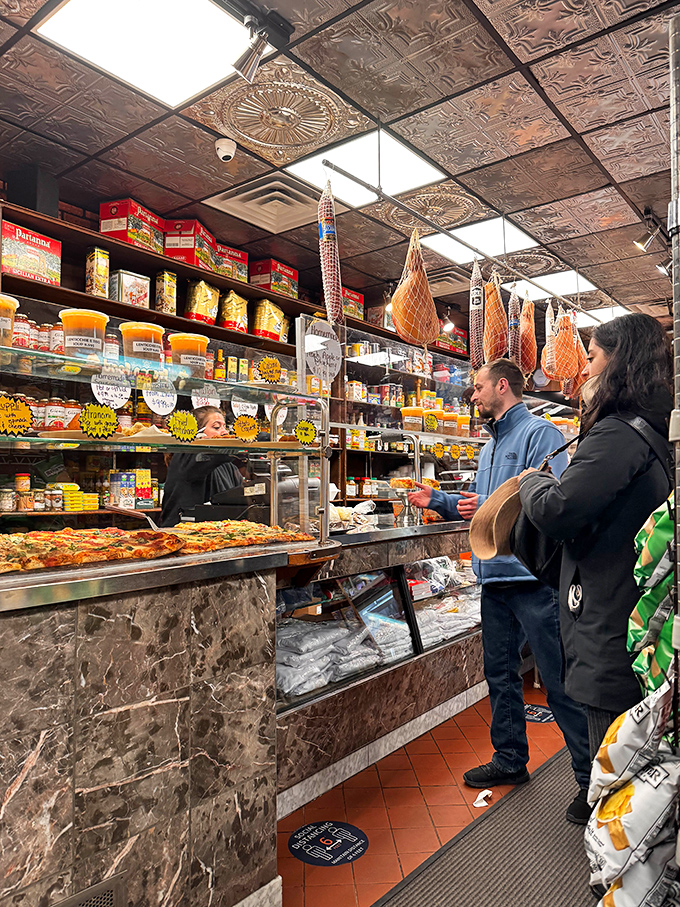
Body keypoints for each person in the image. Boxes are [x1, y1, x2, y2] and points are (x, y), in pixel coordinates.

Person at [408, 358, 591, 823]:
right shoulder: (489, 447)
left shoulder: (541, 434)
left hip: (532, 581)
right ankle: (510, 759)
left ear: (502, 386)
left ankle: (590, 781)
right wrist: (445, 501)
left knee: (557, 682)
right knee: (500, 675)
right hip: (493, 581)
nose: (472, 396)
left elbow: (553, 504)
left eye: (478, 388)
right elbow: (484, 509)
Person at [518, 314, 672, 773]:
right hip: (631, 600)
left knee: (612, 744)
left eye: (592, 356)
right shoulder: (654, 428)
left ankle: (607, 823)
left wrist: (532, 483)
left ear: (618, 360)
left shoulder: (617, 433)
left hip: (606, 607)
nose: (584, 369)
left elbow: (560, 508)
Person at [161, 405, 245, 527]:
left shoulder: (228, 466)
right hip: (179, 534)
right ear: (197, 433)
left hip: (218, 533)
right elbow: (204, 460)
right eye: (216, 427)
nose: (224, 432)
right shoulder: (185, 458)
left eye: (224, 426)